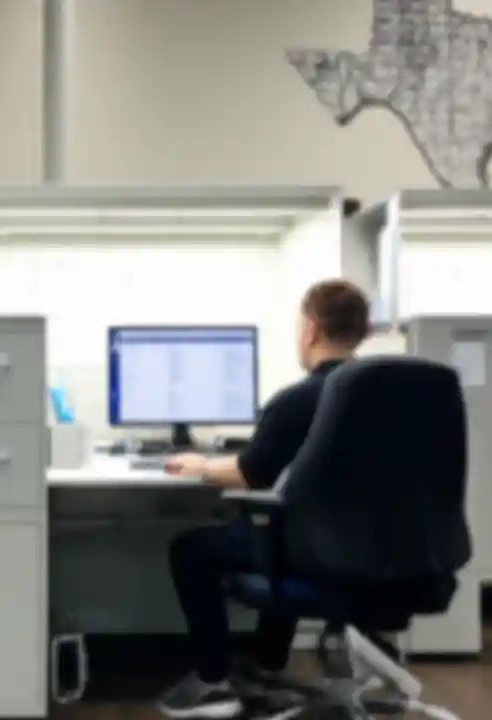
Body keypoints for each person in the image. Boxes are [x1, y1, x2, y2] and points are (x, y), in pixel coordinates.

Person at [156, 279, 373, 719]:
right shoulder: (385, 397)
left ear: (310, 329)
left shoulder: (300, 399)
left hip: (315, 548)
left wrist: (200, 464)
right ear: (364, 332)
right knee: (284, 530)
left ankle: (213, 681)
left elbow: (246, 472)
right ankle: (268, 666)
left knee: (192, 550)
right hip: (381, 548)